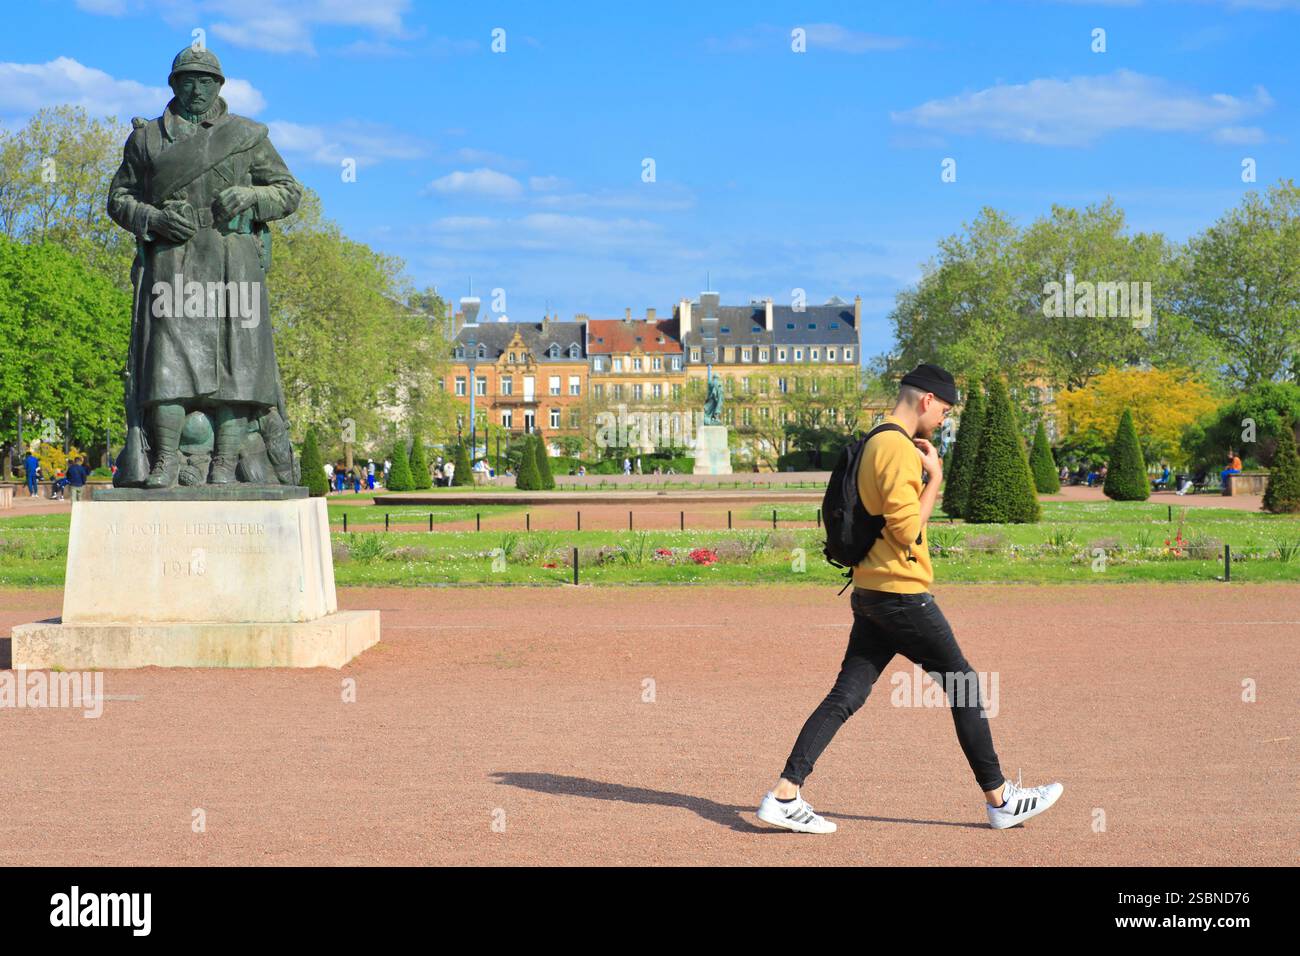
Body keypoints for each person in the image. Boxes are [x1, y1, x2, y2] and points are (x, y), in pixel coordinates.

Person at [757, 363, 1063, 834]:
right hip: (901, 594)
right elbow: (905, 532)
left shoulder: (873, 439)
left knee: (847, 694)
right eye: (943, 408)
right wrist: (934, 479)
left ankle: (784, 793)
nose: (943, 418)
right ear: (925, 400)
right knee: (964, 684)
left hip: (869, 591)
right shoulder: (898, 449)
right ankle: (1000, 798)